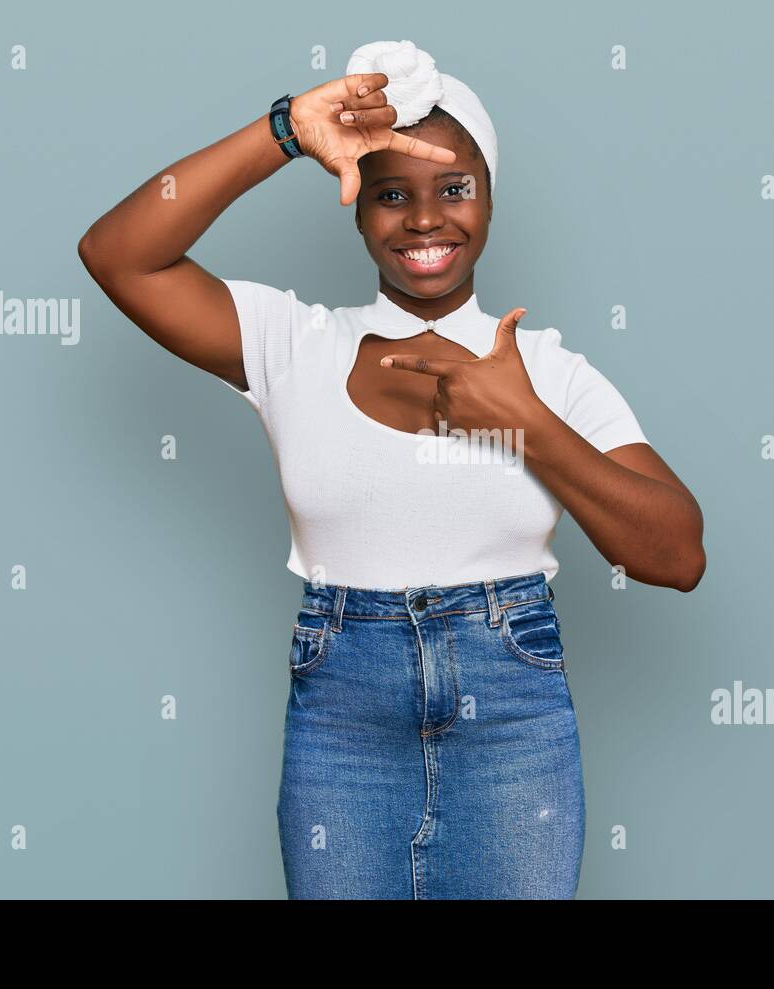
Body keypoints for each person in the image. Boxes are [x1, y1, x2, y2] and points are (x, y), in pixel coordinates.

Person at [78, 40, 706, 899]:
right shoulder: (292, 343)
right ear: (357, 208)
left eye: (454, 188)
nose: (423, 219)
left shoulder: (551, 372)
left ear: (490, 199)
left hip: (513, 725)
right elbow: (119, 254)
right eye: (391, 194)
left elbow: (677, 557)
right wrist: (286, 130)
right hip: (343, 722)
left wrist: (525, 423)